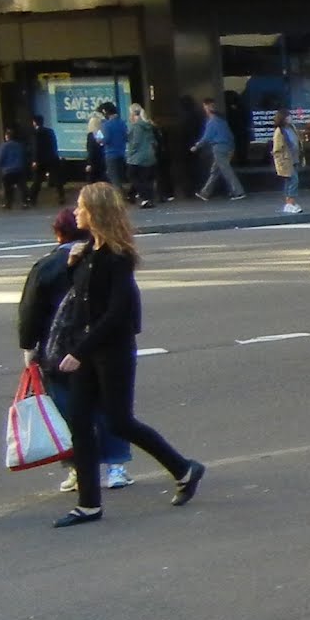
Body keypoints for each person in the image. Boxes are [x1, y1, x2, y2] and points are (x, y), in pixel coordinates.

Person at [51, 183, 205, 527]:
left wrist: (81, 351)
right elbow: (80, 299)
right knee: (79, 423)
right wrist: (72, 265)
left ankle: (183, 468)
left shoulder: (118, 257)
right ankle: (89, 504)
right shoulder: (88, 251)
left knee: (120, 421)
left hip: (111, 351)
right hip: (86, 351)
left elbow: (119, 313)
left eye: (80, 207)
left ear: (96, 212)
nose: (75, 212)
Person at [16, 206, 136, 492]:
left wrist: (28, 345)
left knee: (71, 411)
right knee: (109, 407)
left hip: (58, 349)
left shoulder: (46, 266)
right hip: (98, 345)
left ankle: (77, 470)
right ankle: (116, 465)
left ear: (58, 233)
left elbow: (30, 310)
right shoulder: (101, 258)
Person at [191, 97, 246, 201]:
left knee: (226, 170)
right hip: (228, 147)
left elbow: (206, 137)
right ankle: (205, 192)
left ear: (206, 108)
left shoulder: (212, 122)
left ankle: (239, 192)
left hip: (219, 148)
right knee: (216, 171)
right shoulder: (221, 121)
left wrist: (196, 146)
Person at [125, 103, 159, 208]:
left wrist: (129, 153)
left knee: (133, 177)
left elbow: (136, 142)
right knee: (146, 179)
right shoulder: (148, 125)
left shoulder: (136, 126)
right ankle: (148, 198)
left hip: (137, 157)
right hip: (149, 156)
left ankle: (145, 198)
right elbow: (153, 141)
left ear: (133, 114)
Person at [26, 114, 64, 207]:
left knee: (37, 180)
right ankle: (61, 196)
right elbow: (54, 144)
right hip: (52, 158)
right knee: (57, 179)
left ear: (34, 122)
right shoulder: (50, 131)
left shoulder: (35, 133)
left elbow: (35, 148)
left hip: (40, 160)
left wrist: (34, 160)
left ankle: (32, 198)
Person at [271, 106, 303, 214]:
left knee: (289, 181)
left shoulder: (291, 128)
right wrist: (280, 161)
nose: (290, 118)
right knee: (294, 180)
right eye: (288, 116)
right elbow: (277, 149)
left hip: (294, 158)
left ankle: (290, 203)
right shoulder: (279, 131)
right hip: (285, 160)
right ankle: (290, 203)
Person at [0, 125, 30, 209]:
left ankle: (8, 203)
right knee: (22, 186)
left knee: (8, 188)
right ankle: (24, 202)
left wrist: (0, 166)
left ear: (6, 137)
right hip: (19, 169)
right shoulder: (19, 145)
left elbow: (0, 158)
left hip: (7, 171)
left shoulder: (3, 146)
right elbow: (24, 156)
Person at [98, 102, 129, 189]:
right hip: (121, 154)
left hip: (111, 155)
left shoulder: (105, 125)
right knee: (120, 178)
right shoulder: (122, 123)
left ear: (105, 112)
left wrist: (97, 133)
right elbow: (126, 138)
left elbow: (103, 140)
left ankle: (118, 199)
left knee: (114, 179)